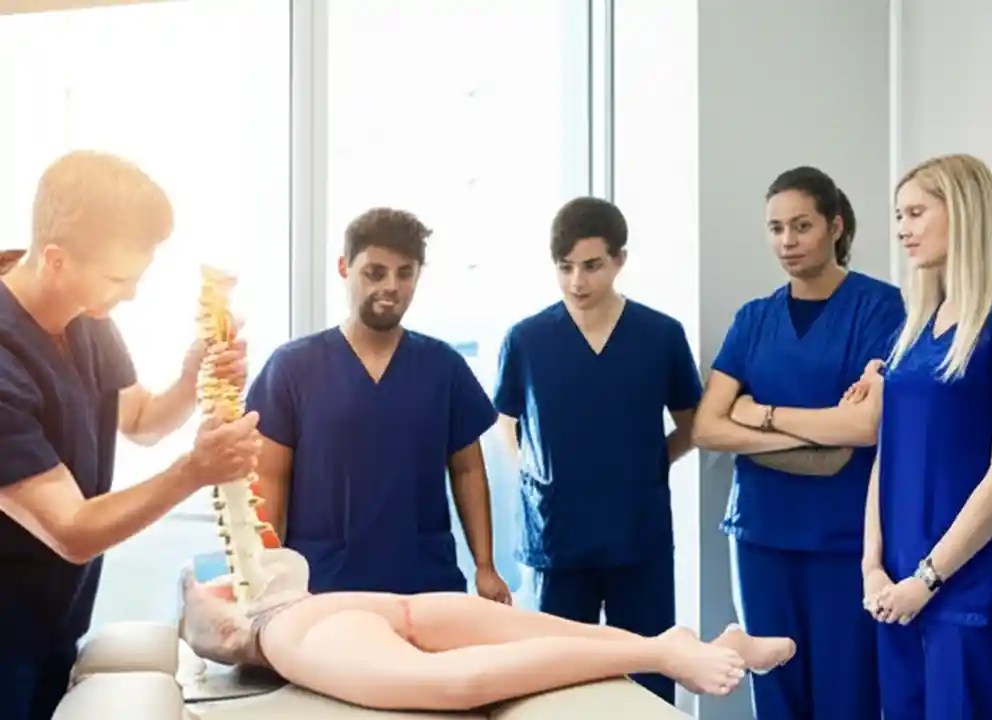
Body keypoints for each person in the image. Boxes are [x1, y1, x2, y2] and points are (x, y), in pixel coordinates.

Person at [0, 151, 260, 720]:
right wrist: (196, 470)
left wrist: (196, 375)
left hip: (53, 619)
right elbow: (70, 531)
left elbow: (142, 420)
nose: (131, 294)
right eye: (120, 279)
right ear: (56, 260)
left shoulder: (87, 318)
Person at [693, 166, 906, 720]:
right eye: (775, 228)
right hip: (762, 533)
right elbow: (708, 428)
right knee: (775, 692)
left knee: (847, 692)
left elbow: (863, 429)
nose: (786, 241)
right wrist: (817, 438)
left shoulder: (880, 308)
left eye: (801, 226)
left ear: (835, 226)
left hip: (843, 538)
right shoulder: (754, 318)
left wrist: (758, 415)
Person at [861, 154, 992, 720]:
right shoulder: (913, 328)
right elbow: (888, 457)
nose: (903, 229)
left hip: (974, 590)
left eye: (916, 212)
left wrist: (928, 576)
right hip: (897, 592)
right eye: (899, 215)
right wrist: (873, 565)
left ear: (964, 212)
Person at [492, 196, 702, 704]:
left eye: (592, 266)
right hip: (558, 539)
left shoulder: (659, 335)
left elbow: (693, 425)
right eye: (565, 268)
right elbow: (508, 421)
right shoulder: (528, 339)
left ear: (620, 260)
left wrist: (649, 464)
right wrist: (536, 474)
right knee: (556, 683)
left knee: (649, 674)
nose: (577, 283)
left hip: (638, 536)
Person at [245, 208, 510, 602]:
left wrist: (485, 566)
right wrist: (264, 577)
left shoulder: (443, 367)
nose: (391, 286)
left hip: (425, 584)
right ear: (343, 268)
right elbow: (269, 478)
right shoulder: (293, 368)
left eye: (405, 273)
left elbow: (468, 469)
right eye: (375, 272)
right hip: (322, 586)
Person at [179, 547, 797, 712]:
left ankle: (666, 654)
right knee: (527, 628)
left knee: (455, 681)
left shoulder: (244, 616)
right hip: (382, 605)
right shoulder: (267, 578)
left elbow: (217, 634)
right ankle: (699, 645)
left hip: (303, 628)